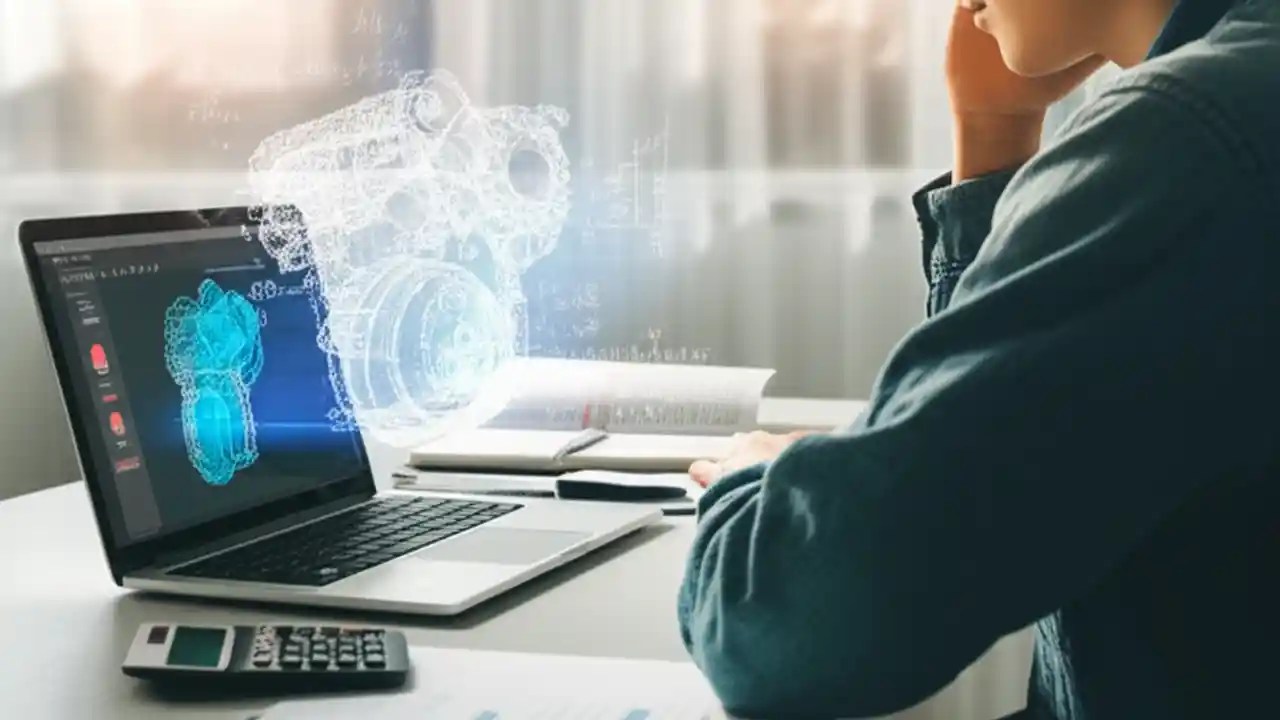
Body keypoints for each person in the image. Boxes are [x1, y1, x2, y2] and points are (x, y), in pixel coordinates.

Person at [679, 1, 1279, 718]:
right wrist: (994, 132)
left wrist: (754, 482)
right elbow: (1005, 443)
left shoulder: (1187, 133)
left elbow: (787, 628)